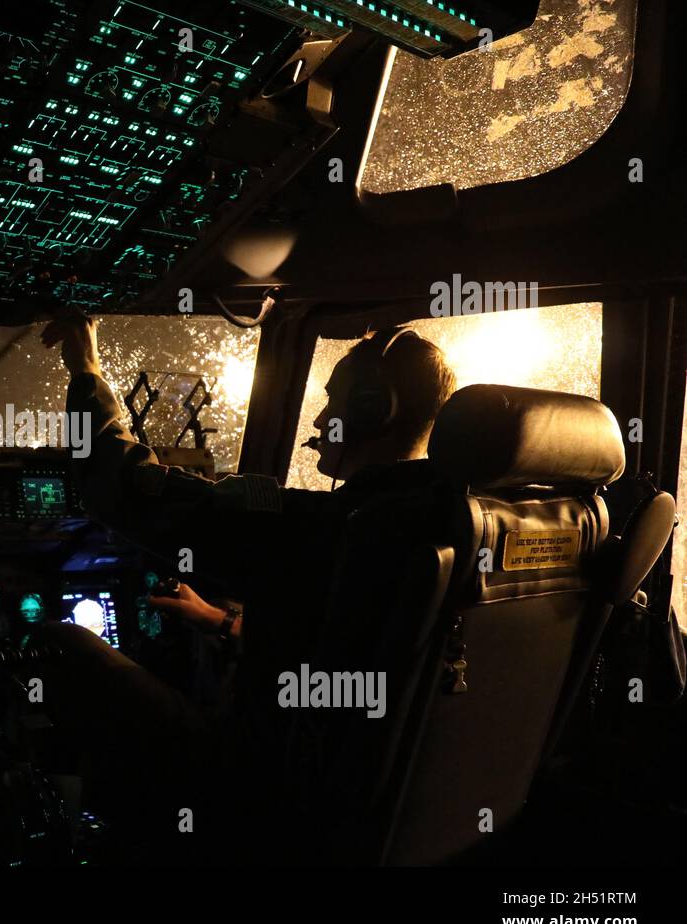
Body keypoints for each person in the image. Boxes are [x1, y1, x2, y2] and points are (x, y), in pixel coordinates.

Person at [36, 311, 457, 860]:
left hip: (263, 792)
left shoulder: (326, 525)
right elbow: (353, 639)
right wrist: (226, 622)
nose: (319, 419)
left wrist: (86, 369)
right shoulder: (455, 525)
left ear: (374, 410)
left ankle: (80, 836)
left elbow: (121, 486)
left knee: (60, 642)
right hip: (371, 810)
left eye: (334, 401)